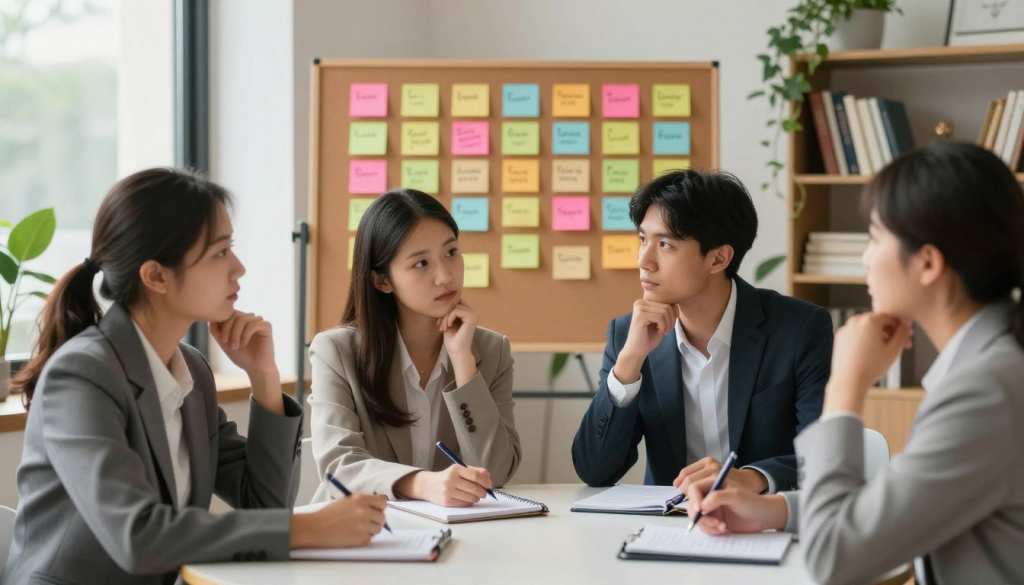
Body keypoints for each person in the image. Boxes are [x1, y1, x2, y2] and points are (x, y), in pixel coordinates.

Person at [1, 168, 387, 585]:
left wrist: (263, 377)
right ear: (156, 276)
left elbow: (264, 504)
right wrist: (310, 529)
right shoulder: (81, 375)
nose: (238, 268)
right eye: (220, 252)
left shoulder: (192, 372)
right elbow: (138, 536)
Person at [684, 142, 1024, 585]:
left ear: (927, 263)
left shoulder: (986, 393)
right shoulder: (994, 368)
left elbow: (833, 558)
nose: (865, 258)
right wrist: (773, 510)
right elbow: (905, 502)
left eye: (875, 238)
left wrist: (846, 386)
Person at [572, 169, 831, 493]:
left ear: (718, 258)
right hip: (669, 528)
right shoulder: (628, 334)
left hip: (766, 524)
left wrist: (751, 478)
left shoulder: (799, 329)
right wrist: (628, 365)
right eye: (643, 240)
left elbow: (824, 452)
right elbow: (594, 471)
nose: (644, 261)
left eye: (665, 244)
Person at [308, 188, 520, 507]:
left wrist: (464, 364)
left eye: (451, 252)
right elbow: (339, 467)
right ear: (382, 281)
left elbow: (498, 471)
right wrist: (421, 483)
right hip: (360, 533)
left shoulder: (491, 351)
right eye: (421, 263)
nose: (445, 276)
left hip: (454, 538)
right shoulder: (336, 352)